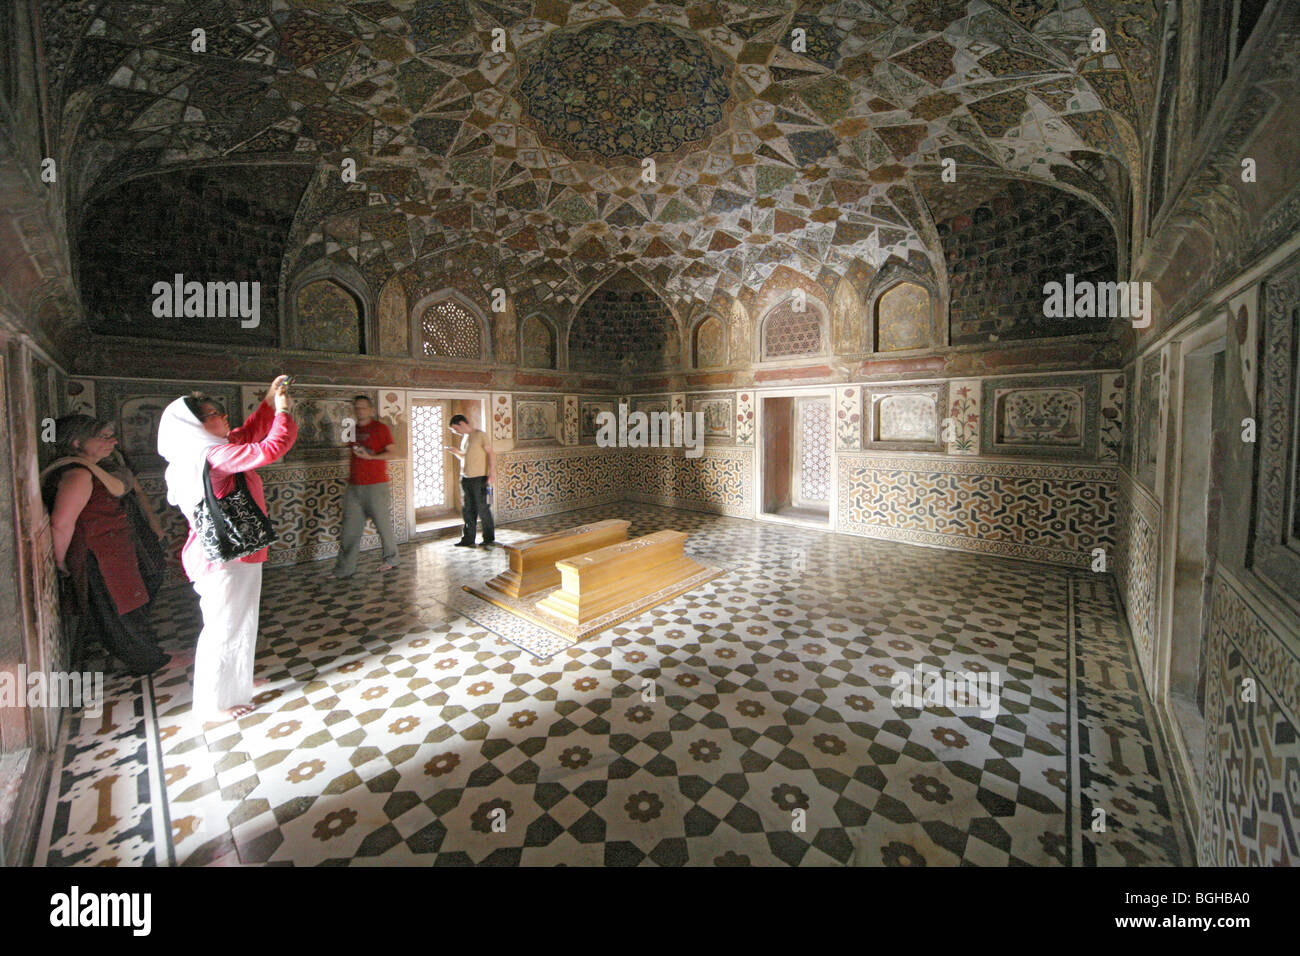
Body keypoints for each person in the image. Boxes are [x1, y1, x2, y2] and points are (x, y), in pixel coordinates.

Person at [157, 376, 297, 723]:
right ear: (196, 425)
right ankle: (212, 704)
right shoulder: (212, 455)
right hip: (224, 557)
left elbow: (249, 433)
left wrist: (267, 400)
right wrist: (283, 413)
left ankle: (236, 683)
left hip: (234, 552)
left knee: (240, 624)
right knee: (223, 629)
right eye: (215, 414)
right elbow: (269, 448)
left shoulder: (202, 449)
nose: (224, 418)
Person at [41, 416, 171, 676]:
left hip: (110, 555)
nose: (112, 441)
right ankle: (148, 661)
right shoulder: (77, 474)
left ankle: (151, 657)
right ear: (77, 442)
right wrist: (61, 563)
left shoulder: (92, 468)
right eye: (102, 436)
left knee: (124, 608)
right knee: (114, 614)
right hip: (96, 557)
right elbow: (62, 524)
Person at [331, 395, 398, 578]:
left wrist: (372, 458)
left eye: (363, 408)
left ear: (370, 409)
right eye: (357, 408)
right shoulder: (351, 429)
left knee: (383, 526)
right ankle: (344, 568)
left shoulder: (380, 428)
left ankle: (391, 559)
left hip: (376, 485)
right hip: (354, 486)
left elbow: (392, 452)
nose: (360, 411)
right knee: (349, 529)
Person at [445, 413, 496, 548]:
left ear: (462, 424)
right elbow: (465, 457)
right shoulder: (465, 438)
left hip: (480, 478)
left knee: (482, 508)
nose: (456, 432)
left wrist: (492, 472)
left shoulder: (480, 435)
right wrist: (456, 452)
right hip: (466, 478)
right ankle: (468, 538)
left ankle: (489, 538)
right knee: (468, 509)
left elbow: (490, 453)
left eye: (456, 429)